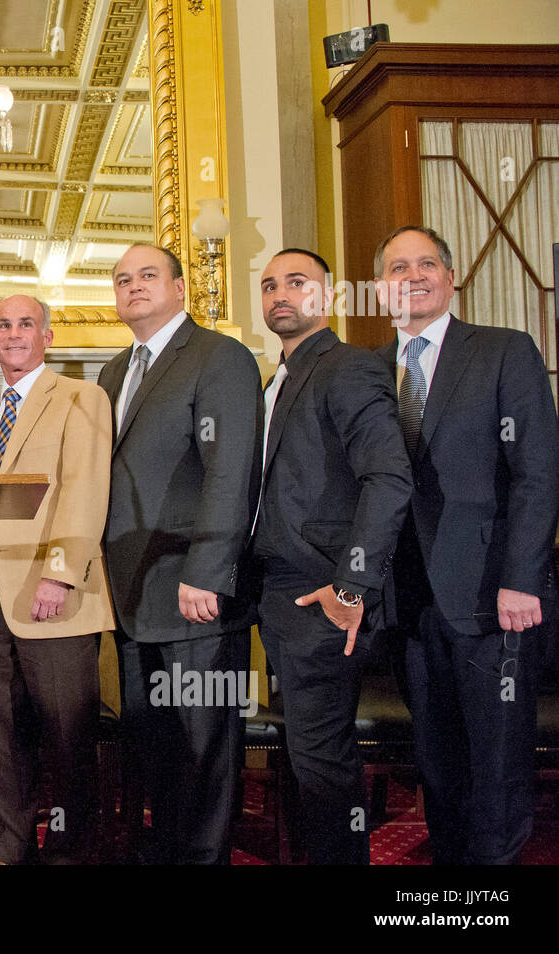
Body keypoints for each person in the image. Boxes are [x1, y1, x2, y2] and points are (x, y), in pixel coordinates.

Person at [376, 225, 559, 865]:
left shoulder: (504, 351)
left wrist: (523, 580)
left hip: (492, 595)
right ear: (380, 287)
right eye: (399, 266)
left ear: (450, 279)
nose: (414, 275)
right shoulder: (372, 370)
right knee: (438, 765)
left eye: (427, 263)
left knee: (497, 766)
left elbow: (538, 473)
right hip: (408, 604)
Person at [98, 243, 261, 864]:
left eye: (147, 275)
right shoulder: (115, 371)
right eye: (122, 279)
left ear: (180, 287)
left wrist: (209, 573)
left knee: (203, 750)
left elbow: (230, 471)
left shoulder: (220, 357)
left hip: (195, 593)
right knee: (154, 744)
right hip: (134, 594)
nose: (133, 286)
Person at [252, 248, 411, 864]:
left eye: (297, 282)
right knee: (306, 757)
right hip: (278, 590)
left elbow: (390, 478)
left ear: (331, 297)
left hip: (323, 593)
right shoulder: (278, 380)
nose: (279, 294)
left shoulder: (348, 367)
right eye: (269, 286)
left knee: (322, 763)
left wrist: (351, 587)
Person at [0, 294, 114, 865]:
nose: (14, 334)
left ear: (46, 336)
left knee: (68, 744)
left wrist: (60, 575)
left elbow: (86, 490)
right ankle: (11, 853)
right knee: (2, 746)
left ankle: (71, 854)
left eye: (25, 324)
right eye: (2, 326)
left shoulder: (82, 397)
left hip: (54, 598)